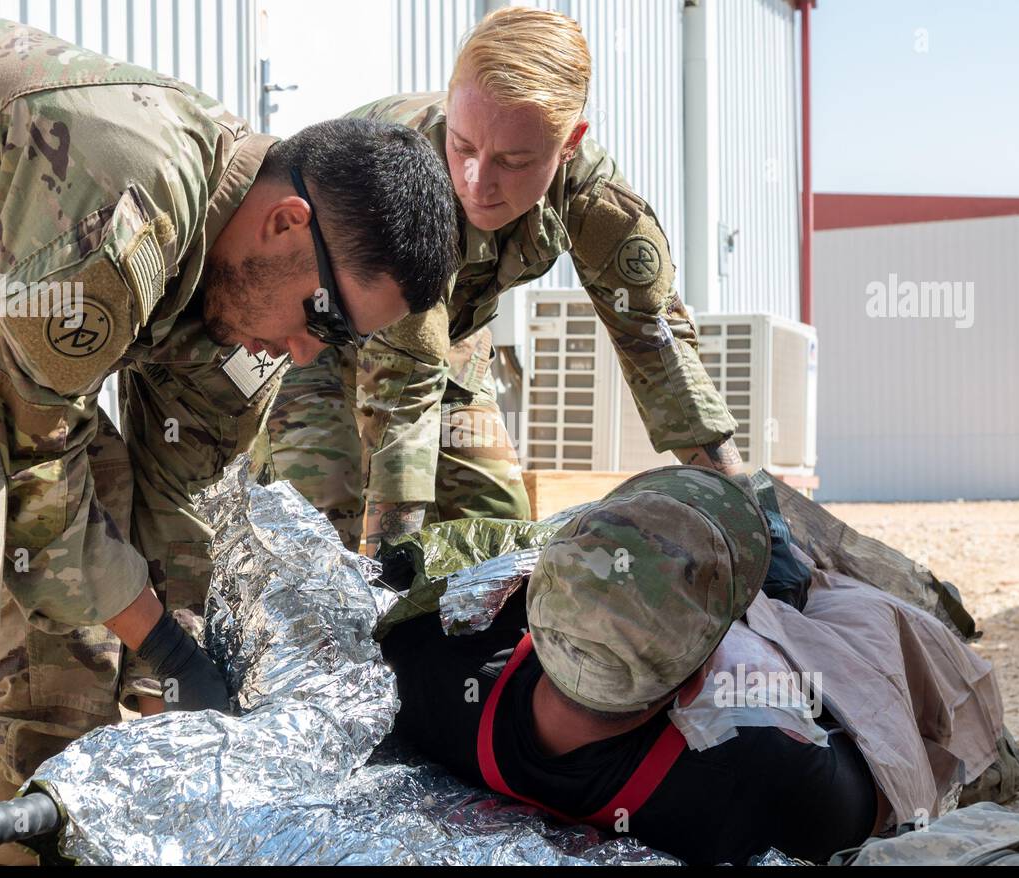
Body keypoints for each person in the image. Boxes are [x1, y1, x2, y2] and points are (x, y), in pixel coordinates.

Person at [0, 0, 458, 863]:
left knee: (105, 505)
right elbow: (34, 460)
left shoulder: (246, 305)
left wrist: (178, 670)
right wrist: (157, 641)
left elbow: (180, 505)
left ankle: (38, 831)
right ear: (285, 223)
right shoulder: (127, 205)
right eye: (329, 320)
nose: (312, 354)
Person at [264, 6, 741, 555]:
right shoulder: (408, 178)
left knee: (500, 540)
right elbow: (401, 389)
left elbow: (658, 347)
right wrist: (391, 561)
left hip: (448, 338)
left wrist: (743, 507)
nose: (478, 182)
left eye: (513, 161)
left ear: (570, 142)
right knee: (325, 536)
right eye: (463, 147)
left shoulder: (594, 201)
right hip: (313, 335)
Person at [379, 467, 887, 865]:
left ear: (533, 603)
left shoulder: (427, 673)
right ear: (703, 679)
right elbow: (870, 804)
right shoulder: (775, 778)